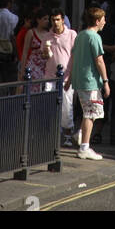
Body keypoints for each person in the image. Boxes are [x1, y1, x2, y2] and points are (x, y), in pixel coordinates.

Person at [64, 5, 110, 161]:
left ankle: (80, 135)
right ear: (97, 21)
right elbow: (99, 60)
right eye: (103, 19)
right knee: (90, 113)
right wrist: (105, 81)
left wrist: (70, 80)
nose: (105, 22)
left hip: (80, 80)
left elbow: (74, 59)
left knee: (90, 112)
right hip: (90, 81)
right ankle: (84, 147)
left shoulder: (80, 35)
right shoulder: (94, 37)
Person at [43, 8, 77, 146]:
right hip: (49, 76)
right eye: (53, 20)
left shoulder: (71, 34)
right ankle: (52, 134)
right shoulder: (47, 36)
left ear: (63, 20)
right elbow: (44, 56)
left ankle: (68, 136)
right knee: (49, 106)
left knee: (67, 106)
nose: (55, 22)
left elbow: (75, 56)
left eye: (58, 19)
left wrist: (72, 77)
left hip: (66, 76)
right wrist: (46, 51)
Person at [0, 0, 19, 84]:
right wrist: (16, 53)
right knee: (9, 79)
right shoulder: (13, 18)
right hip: (9, 52)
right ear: (9, 4)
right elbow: (13, 36)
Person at [19, 8, 52, 81]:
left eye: (48, 19)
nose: (47, 21)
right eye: (44, 19)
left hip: (46, 67)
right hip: (33, 67)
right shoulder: (31, 33)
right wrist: (22, 70)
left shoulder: (49, 34)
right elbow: (25, 52)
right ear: (38, 20)